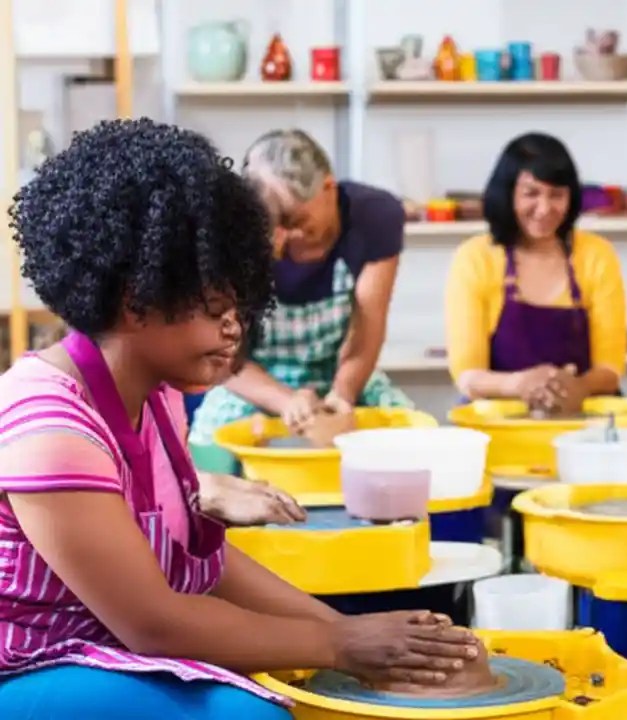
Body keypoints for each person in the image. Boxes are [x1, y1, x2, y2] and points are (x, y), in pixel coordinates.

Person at [0, 119, 483, 719]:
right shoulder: (49, 429)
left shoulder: (155, 397)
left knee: (296, 676)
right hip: (28, 664)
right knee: (254, 713)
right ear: (136, 299)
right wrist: (340, 644)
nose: (236, 329)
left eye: (241, 306)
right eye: (217, 307)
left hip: (104, 648)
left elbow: (203, 562)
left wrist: (345, 628)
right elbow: (156, 622)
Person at [188, 129, 411, 467]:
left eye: (296, 221)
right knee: (209, 456)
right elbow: (222, 358)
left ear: (327, 187)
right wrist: (287, 401)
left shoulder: (374, 217)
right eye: (274, 225)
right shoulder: (236, 238)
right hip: (256, 380)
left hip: (340, 370)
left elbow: (368, 328)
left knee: (408, 439)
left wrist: (343, 395)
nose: (287, 237)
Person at [444, 132, 627, 413]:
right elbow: (468, 376)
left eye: (557, 195)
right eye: (531, 193)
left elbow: (610, 369)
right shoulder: (475, 258)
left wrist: (577, 387)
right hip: (501, 422)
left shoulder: (597, 255)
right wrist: (520, 384)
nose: (544, 209)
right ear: (508, 194)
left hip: (584, 420)